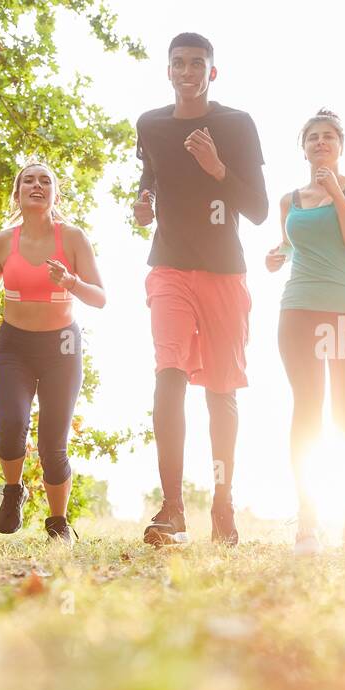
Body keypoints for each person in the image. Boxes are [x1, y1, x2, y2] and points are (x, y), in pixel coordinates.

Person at [132, 32, 268, 546]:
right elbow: (151, 175)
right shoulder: (150, 124)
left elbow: (255, 208)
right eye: (178, 63)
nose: (187, 71)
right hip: (168, 265)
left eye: (197, 63)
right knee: (168, 370)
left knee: (219, 389)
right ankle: (172, 507)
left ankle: (222, 504)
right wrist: (144, 203)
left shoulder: (236, 124)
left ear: (213, 73)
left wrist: (217, 169)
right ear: (168, 71)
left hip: (224, 270)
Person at [0, 162, 107, 544]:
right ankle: (14, 490)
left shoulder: (74, 238)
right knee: (11, 427)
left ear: (55, 194)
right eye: (28, 180)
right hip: (14, 343)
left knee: (52, 443)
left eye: (45, 180)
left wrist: (71, 281)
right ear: (17, 194)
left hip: (61, 347)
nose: (36, 185)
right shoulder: (1, 242)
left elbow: (99, 298)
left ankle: (58, 522)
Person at [265, 109, 345, 555]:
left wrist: (336, 193)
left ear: (341, 145)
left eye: (329, 136)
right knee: (307, 409)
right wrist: (278, 254)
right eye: (312, 137)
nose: (320, 142)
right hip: (300, 310)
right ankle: (307, 523)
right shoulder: (289, 200)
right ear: (304, 147)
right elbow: (293, 246)